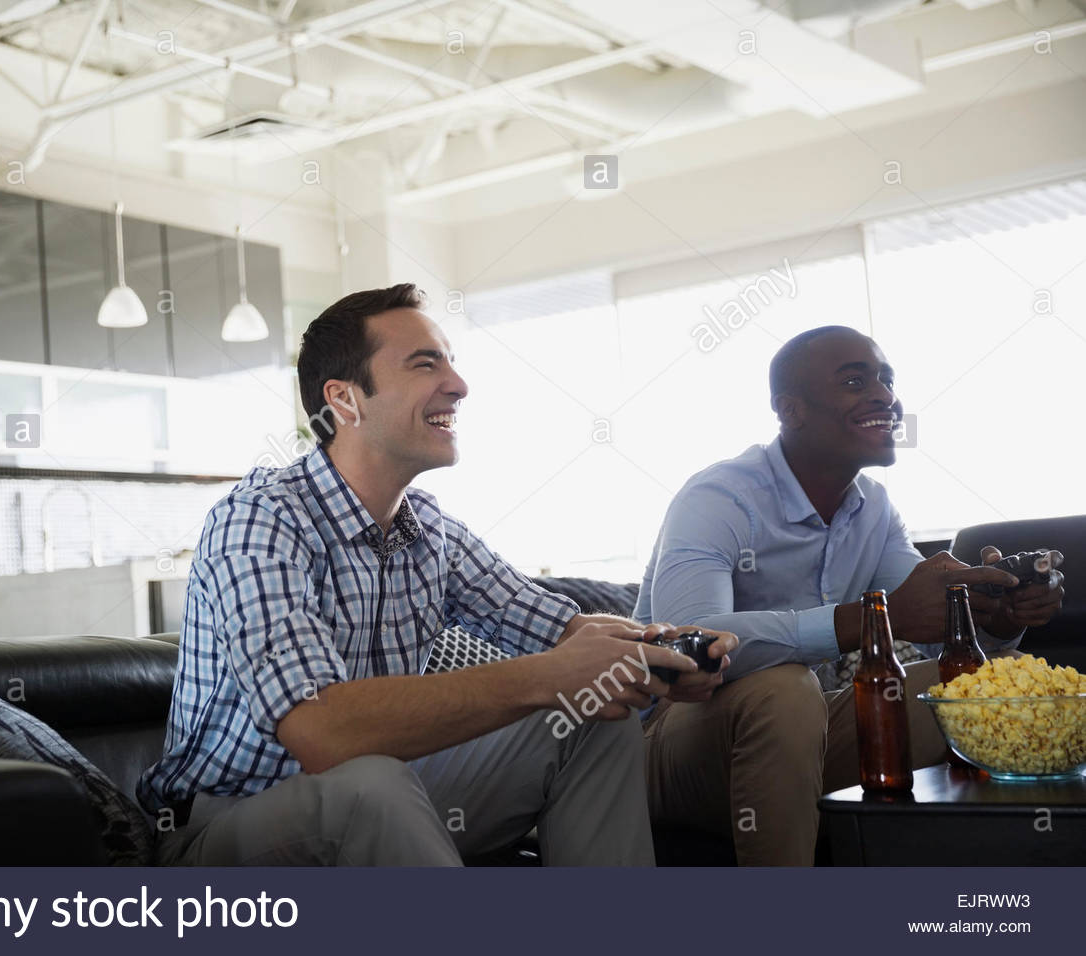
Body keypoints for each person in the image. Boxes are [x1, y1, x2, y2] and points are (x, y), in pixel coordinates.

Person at [138, 283, 737, 866]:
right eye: (426, 365)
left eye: (451, 363)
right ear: (344, 399)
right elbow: (319, 730)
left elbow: (560, 628)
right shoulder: (260, 520)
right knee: (370, 783)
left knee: (591, 720)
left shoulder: (428, 527)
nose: (459, 385)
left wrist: (657, 650)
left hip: (382, 791)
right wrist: (545, 676)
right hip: (227, 827)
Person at [635, 325, 1066, 866]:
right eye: (855, 381)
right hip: (663, 745)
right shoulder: (719, 497)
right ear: (790, 410)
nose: (885, 396)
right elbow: (684, 645)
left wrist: (996, 616)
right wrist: (861, 620)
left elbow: (932, 623)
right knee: (784, 690)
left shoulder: (874, 509)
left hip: (794, 738)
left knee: (994, 681)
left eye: (887, 380)